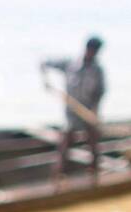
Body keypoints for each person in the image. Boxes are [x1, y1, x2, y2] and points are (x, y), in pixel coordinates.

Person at [41, 36, 106, 183]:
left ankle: (94, 175)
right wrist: (45, 81)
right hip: (71, 113)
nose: (93, 53)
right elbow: (44, 63)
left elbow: (100, 92)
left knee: (93, 142)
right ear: (87, 48)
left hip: (88, 111)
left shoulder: (97, 70)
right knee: (65, 143)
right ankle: (58, 176)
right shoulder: (70, 64)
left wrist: (95, 111)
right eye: (92, 50)